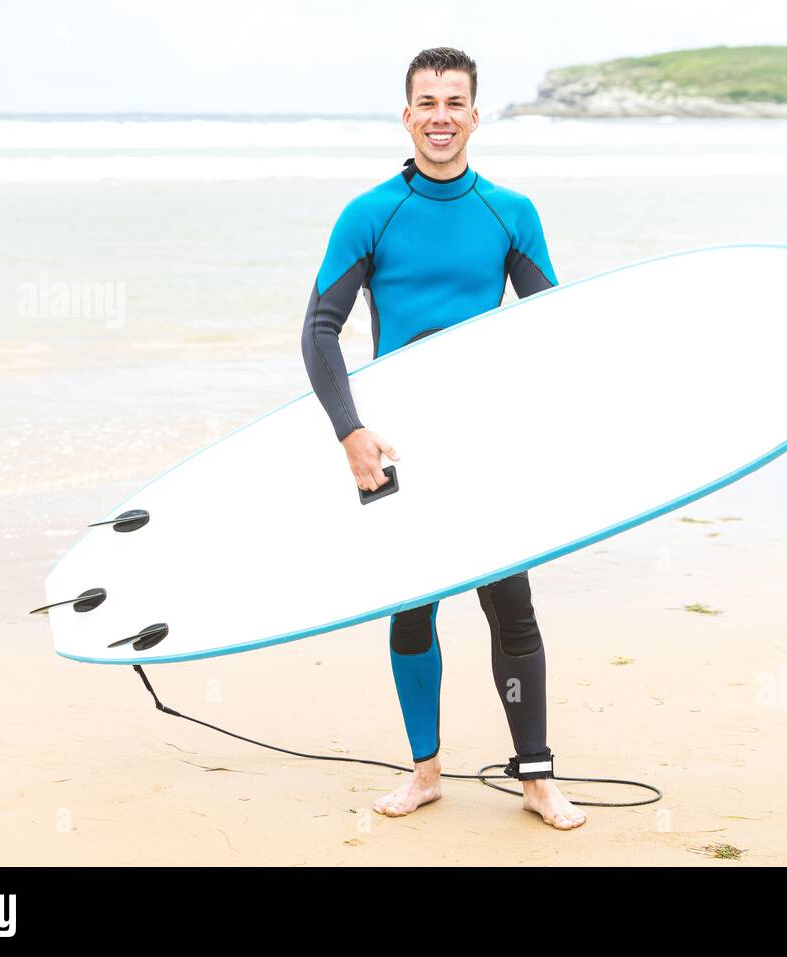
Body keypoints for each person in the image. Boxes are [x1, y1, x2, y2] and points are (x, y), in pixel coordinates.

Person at [300, 47, 586, 830]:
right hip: (397, 446)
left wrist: (549, 428)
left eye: (454, 102)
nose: (440, 117)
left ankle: (536, 776)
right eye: (426, 102)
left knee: (511, 606)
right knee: (412, 609)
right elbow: (320, 330)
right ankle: (423, 769)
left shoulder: (510, 212)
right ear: (406, 115)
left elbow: (553, 329)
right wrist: (350, 431)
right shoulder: (370, 213)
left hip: (485, 442)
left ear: (474, 115)